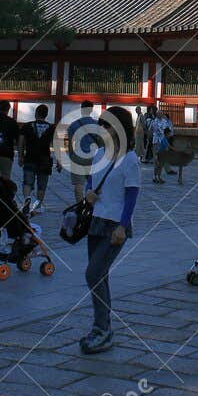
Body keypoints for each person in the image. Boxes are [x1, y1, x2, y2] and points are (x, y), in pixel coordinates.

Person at [80, 106, 140, 355]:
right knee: (100, 275)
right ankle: (103, 328)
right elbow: (90, 184)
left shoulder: (130, 159)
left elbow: (132, 194)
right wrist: (88, 194)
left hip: (115, 225)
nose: (102, 129)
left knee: (93, 273)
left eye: (106, 125)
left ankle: (102, 327)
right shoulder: (99, 155)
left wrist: (123, 226)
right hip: (96, 220)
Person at [19, 103, 57, 211]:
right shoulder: (51, 128)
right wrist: (59, 162)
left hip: (30, 157)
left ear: (36, 113)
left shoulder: (26, 126)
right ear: (46, 115)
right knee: (42, 185)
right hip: (45, 159)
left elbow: (21, 142)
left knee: (27, 182)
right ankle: (38, 206)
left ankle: (27, 198)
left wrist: (20, 156)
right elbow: (56, 145)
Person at [65, 99, 101, 202]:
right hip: (93, 157)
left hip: (78, 156)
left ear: (81, 109)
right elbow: (101, 141)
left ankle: (80, 205)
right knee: (93, 183)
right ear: (91, 110)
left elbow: (70, 143)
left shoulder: (74, 125)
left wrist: (72, 155)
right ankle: (90, 204)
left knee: (78, 184)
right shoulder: (97, 124)